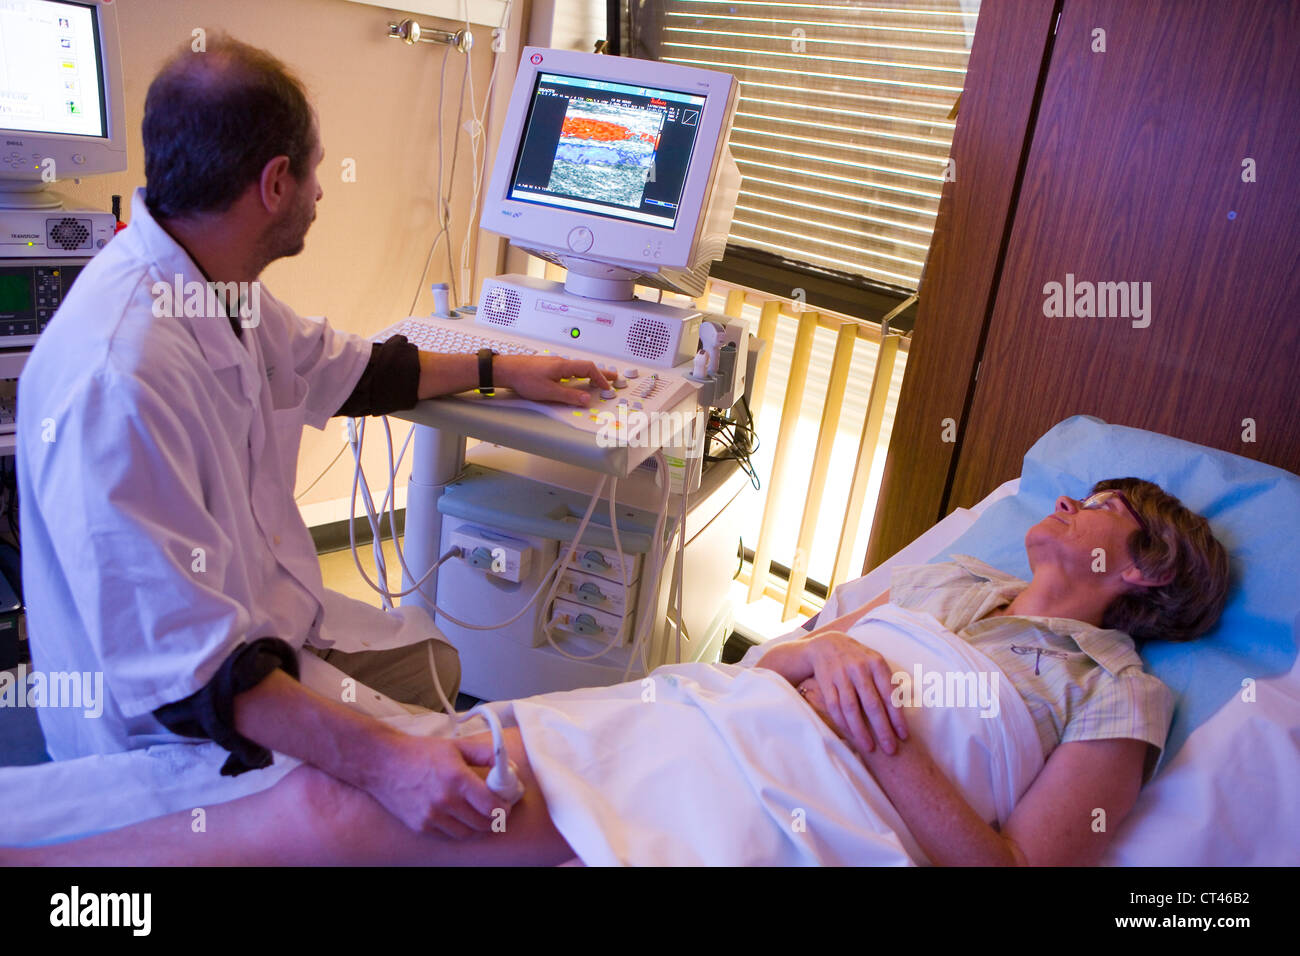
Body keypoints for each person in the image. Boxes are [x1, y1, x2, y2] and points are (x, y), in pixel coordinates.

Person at [15, 36, 614, 839]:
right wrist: (389, 765)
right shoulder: (118, 377)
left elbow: (359, 369)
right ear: (274, 183)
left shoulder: (211, 285)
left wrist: (503, 367)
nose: (323, 192)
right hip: (177, 726)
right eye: (316, 171)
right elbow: (195, 679)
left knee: (435, 662)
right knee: (446, 794)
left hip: (255, 632)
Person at [5, 478, 1231, 865]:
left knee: (354, 802)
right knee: (376, 798)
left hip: (802, 795)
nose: (1065, 498)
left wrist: (887, 738)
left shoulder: (1116, 688)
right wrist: (824, 646)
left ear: (1139, 566)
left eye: (1100, 504)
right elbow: (797, 652)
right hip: (705, 711)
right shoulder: (949, 584)